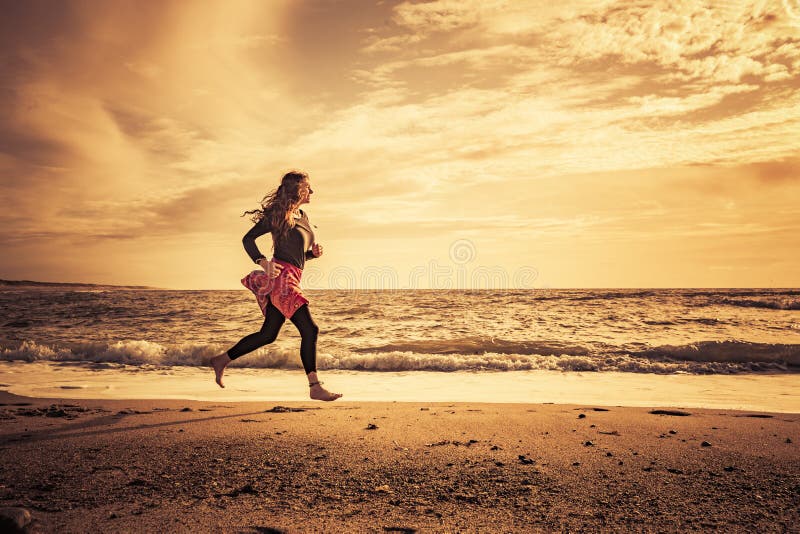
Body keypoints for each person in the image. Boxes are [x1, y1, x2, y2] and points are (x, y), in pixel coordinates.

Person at [209, 171, 342, 401]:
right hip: (282, 279)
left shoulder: (303, 215)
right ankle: (315, 387)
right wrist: (262, 262)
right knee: (310, 329)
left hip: (292, 276)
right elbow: (247, 239)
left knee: (268, 334)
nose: (312, 191)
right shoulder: (280, 214)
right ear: (298, 190)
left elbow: (296, 255)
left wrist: (312, 254)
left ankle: (222, 360)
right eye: (308, 187)